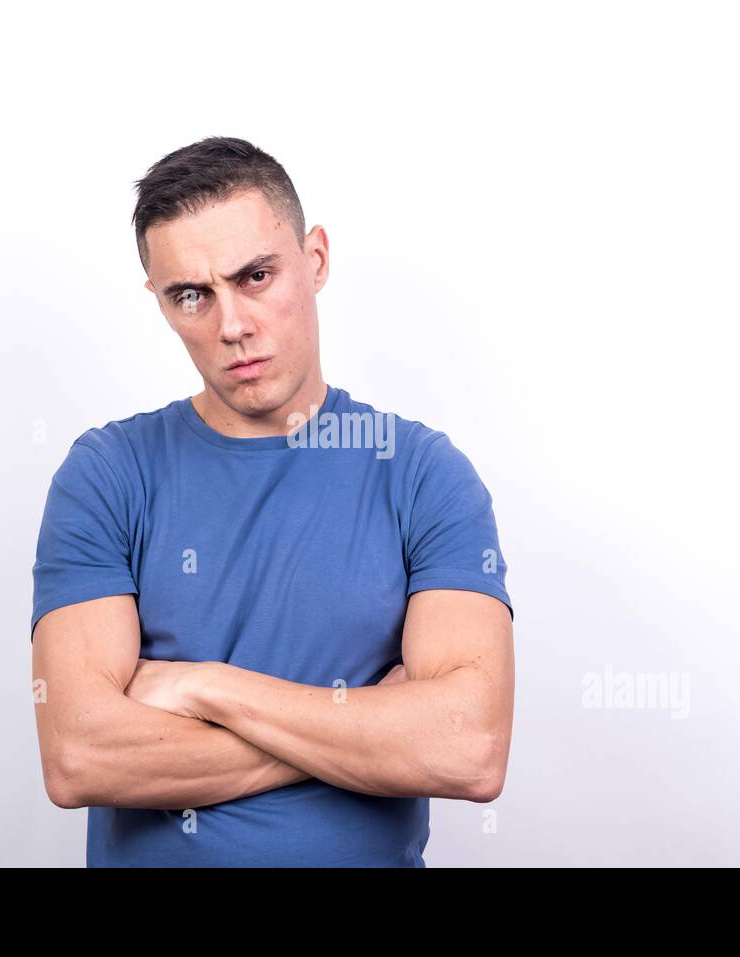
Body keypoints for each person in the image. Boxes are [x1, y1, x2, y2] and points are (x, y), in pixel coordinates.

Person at [29, 136, 514, 866]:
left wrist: (205, 687)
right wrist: (371, 730)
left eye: (256, 275)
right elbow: (78, 756)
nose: (231, 325)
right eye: (191, 294)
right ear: (160, 302)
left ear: (315, 259)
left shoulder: (421, 474)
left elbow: (468, 748)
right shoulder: (107, 473)